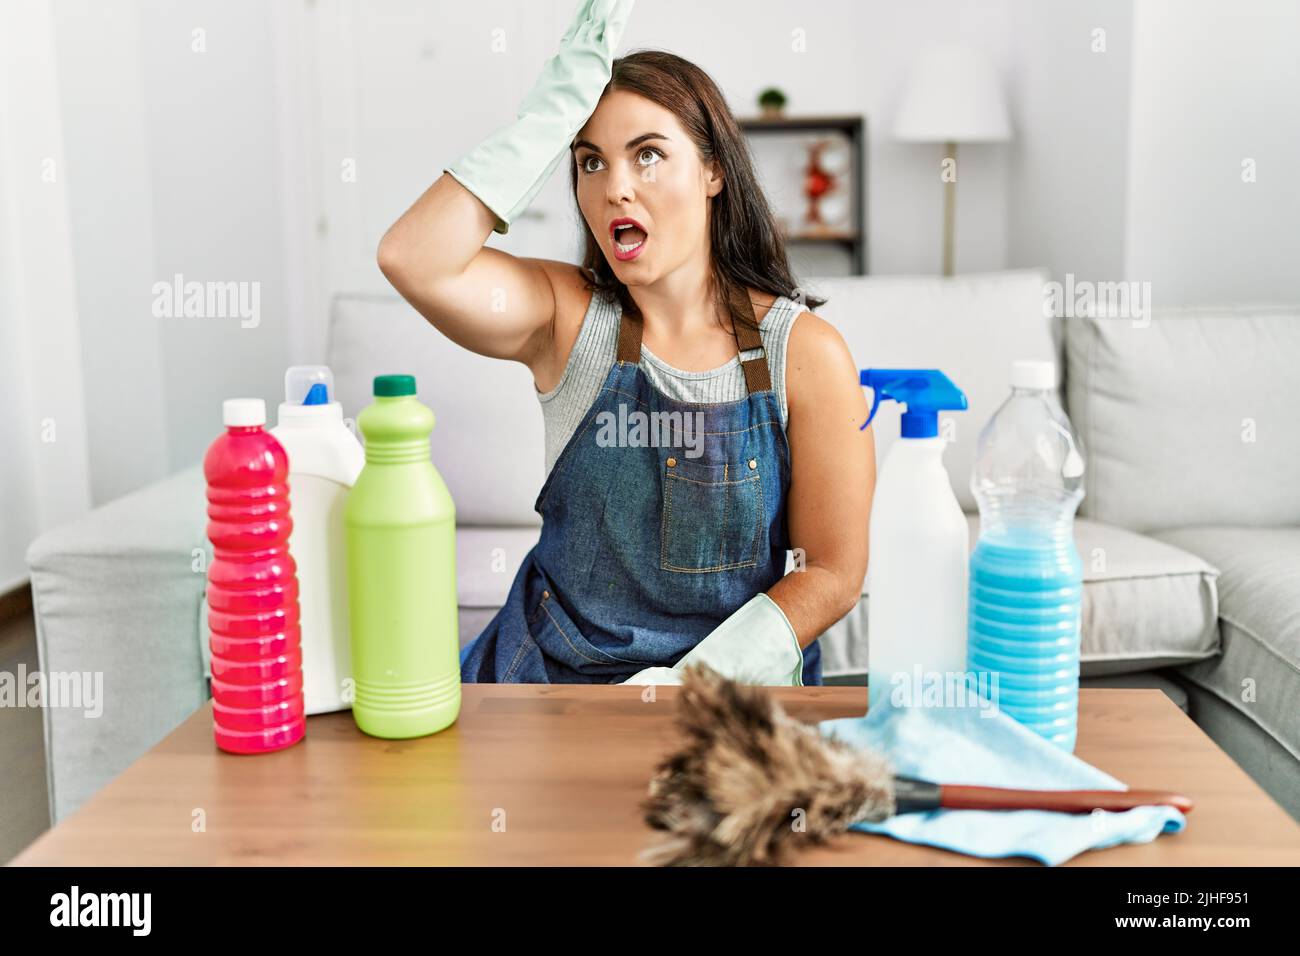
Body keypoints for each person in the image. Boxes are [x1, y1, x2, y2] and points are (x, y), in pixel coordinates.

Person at [377, 0, 874, 686]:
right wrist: (549, 118)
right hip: (552, 684)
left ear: (712, 172)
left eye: (647, 155)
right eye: (590, 162)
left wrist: (695, 683)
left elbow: (833, 571)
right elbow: (414, 258)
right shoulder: (566, 318)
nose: (615, 188)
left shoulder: (805, 353)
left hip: (728, 697)